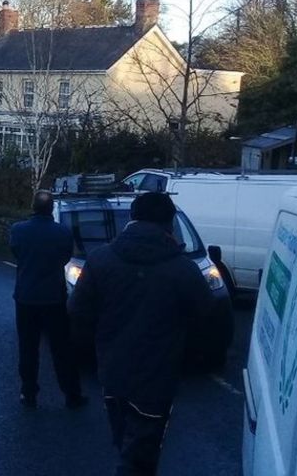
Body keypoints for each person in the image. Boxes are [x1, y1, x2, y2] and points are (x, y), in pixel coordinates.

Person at [69, 192, 213, 476]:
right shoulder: (182, 269)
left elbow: (76, 309)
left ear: (132, 218)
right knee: (141, 454)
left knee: (125, 442)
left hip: (112, 370)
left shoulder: (100, 259)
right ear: (169, 223)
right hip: (157, 377)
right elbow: (205, 314)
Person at [9, 190, 86, 409]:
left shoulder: (18, 230)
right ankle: (72, 394)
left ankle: (29, 393)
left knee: (28, 347)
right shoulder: (62, 232)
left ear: (33, 207)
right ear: (51, 208)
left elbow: (17, 253)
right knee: (62, 348)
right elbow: (64, 258)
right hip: (54, 297)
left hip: (26, 297)